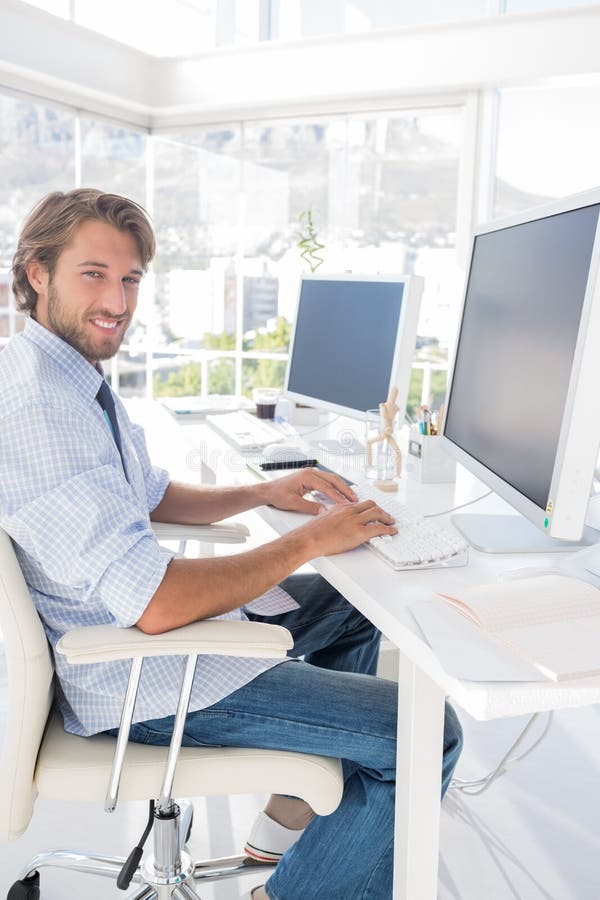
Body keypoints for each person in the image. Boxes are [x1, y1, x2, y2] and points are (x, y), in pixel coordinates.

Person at [0, 189, 463, 900]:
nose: (117, 301)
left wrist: (261, 495)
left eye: (129, 280)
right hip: (143, 679)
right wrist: (309, 538)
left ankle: (286, 819)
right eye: (93, 274)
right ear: (37, 273)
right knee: (428, 733)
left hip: (153, 640)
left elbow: (148, 492)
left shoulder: (69, 377)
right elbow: (155, 606)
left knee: (359, 605)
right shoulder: (41, 411)